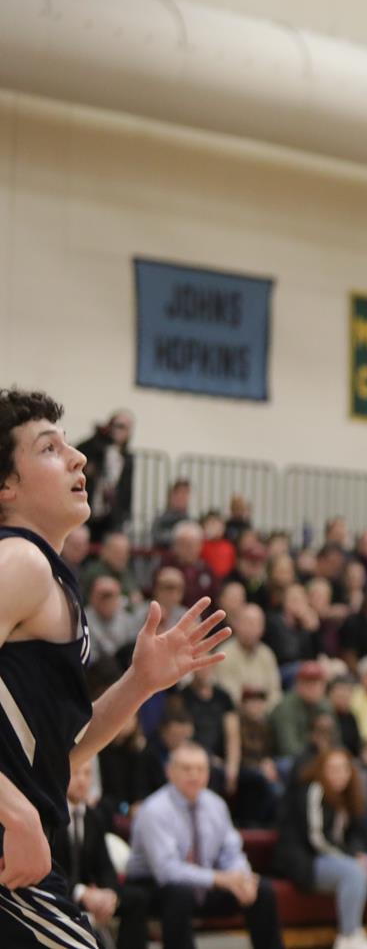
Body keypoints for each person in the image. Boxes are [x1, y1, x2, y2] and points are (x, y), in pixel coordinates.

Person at [0, 390, 230, 948]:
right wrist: (12, 809)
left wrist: (140, 682)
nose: (79, 458)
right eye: (50, 449)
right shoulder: (19, 561)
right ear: (5, 486)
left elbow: (58, 758)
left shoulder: (48, 578)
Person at [126, 741, 283, 949]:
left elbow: (231, 852)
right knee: (179, 893)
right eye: (186, 768)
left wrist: (241, 877)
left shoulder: (215, 804)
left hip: (204, 882)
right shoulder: (154, 809)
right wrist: (219, 879)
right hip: (153, 886)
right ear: (169, 772)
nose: (194, 775)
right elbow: (167, 871)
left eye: (200, 769)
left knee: (261, 890)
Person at [275, 748, 367, 949]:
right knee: (354, 871)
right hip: (306, 861)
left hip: (336, 856)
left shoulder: (350, 792)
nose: (338, 774)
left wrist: (356, 853)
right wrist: (351, 858)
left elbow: (356, 833)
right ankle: (349, 936)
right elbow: (316, 839)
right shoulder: (312, 790)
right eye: (333, 768)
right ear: (321, 770)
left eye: (343, 769)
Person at [55, 760, 150, 949]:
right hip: (59, 890)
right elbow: (50, 868)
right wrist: (82, 893)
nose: (82, 780)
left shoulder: (94, 816)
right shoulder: (50, 817)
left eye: (87, 774)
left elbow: (105, 867)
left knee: (138, 898)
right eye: (76, 774)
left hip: (90, 892)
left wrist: (110, 895)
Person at [75, 411, 134, 542]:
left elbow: (126, 489)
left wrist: (123, 515)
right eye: (118, 426)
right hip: (87, 509)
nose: (120, 431)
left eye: (125, 428)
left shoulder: (127, 458)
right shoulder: (93, 446)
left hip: (109, 515)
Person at [214, 604, 283, 711]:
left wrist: (264, 708)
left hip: (266, 714)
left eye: (256, 624)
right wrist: (249, 707)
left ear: (263, 629)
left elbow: (275, 692)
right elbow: (226, 693)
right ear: (236, 625)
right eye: (247, 623)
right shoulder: (223, 654)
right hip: (235, 712)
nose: (251, 629)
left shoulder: (267, 654)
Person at [149, 478, 191, 551]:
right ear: (171, 496)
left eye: (185, 493)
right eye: (179, 493)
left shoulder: (190, 521)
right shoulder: (161, 519)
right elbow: (157, 537)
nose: (182, 497)